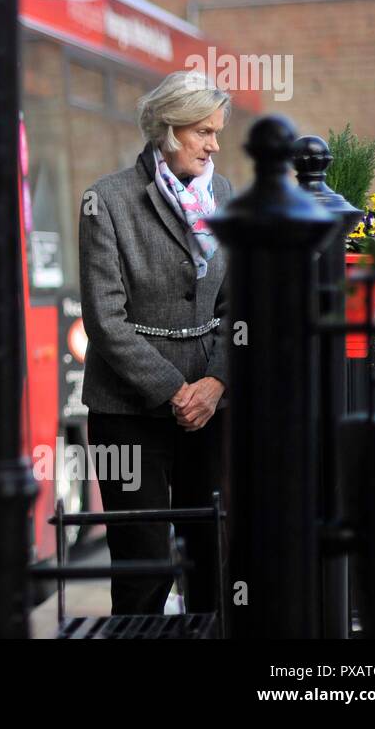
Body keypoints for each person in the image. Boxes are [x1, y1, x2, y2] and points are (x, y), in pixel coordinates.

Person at [78, 70, 232, 617]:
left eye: (216, 132)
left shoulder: (224, 195)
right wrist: (174, 390)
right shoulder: (108, 200)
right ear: (167, 130)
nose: (215, 144)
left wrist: (214, 383)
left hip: (211, 406)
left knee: (212, 558)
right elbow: (105, 319)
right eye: (203, 132)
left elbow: (239, 308)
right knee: (143, 564)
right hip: (129, 407)